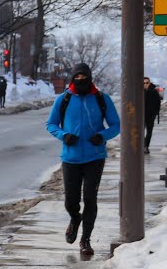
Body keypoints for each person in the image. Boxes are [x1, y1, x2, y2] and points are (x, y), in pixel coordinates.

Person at [46, 63, 120, 258]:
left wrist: (102, 136)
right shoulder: (64, 99)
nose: (80, 81)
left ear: (90, 78)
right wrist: (64, 135)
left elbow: (116, 125)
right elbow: (51, 124)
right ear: (72, 79)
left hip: (95, 157)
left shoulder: (101, 99)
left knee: (89, 197)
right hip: (70, 158)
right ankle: (74, 219)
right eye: (77, 78)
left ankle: (85, 239)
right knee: (71, 200)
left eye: (84, 78)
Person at [142, 76, 162, 154]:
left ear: (149, 83)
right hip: (141, 115)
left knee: (149, 131)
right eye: (144, 83)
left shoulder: (154, 91)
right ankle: (143, 145)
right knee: (141, 131)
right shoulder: (139, 92)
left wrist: (155, 112)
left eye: (147, 83)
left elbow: (158, 103)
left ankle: (146, 146)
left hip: (150, 115)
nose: (145, 84)